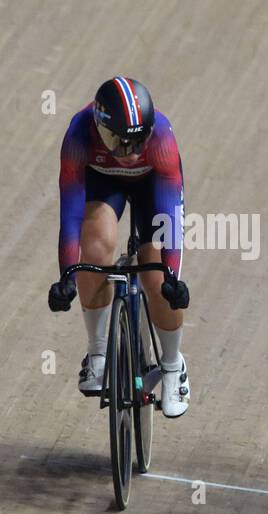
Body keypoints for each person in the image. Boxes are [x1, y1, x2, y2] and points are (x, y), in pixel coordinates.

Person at [49, 76, 191, 416]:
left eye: (137, 141)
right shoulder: (79, 135)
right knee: (96, 247)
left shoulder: (161, 141)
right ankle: (97, 351)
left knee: (157, 277)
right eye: (119, 142)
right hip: (103, 181)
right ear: (99, 128)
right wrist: (67, 275)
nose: (129, 153)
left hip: (152, 187)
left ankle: (173, 366)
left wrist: (172, 276)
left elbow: (169, 217)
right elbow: (70, 214)